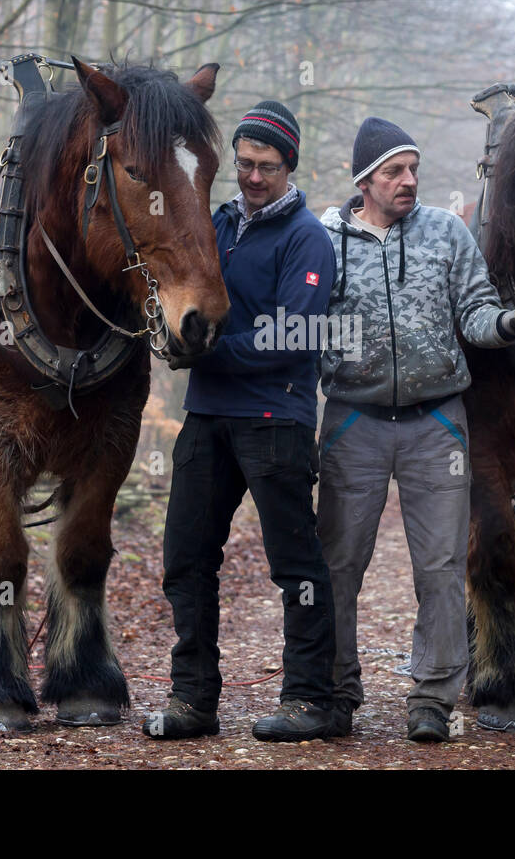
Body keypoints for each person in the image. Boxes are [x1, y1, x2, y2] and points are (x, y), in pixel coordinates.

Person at [317, 117, 515, 742]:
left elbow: (474, 309)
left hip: (436, 422)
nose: (408, 181)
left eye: (413, 169)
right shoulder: (323, 238)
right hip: (351, 423)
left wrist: (505, 325)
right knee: (338, 563)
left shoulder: (445, 233)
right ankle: (335, 691)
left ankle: (433, 699)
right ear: (363, 180)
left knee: (440, 565)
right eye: (394, 172)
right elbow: (302, 322)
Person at [143, 101, 338, 742]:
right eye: (246, 164)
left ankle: (311, 700)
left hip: (275, 421)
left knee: (295, 564)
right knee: (185, 559)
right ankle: (193, 700)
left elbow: (292, 334)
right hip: (206, 418)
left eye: (268, 166)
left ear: (290, 166)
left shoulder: (307, 237)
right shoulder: (217, 222)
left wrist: (203, 349)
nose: (253, 177)